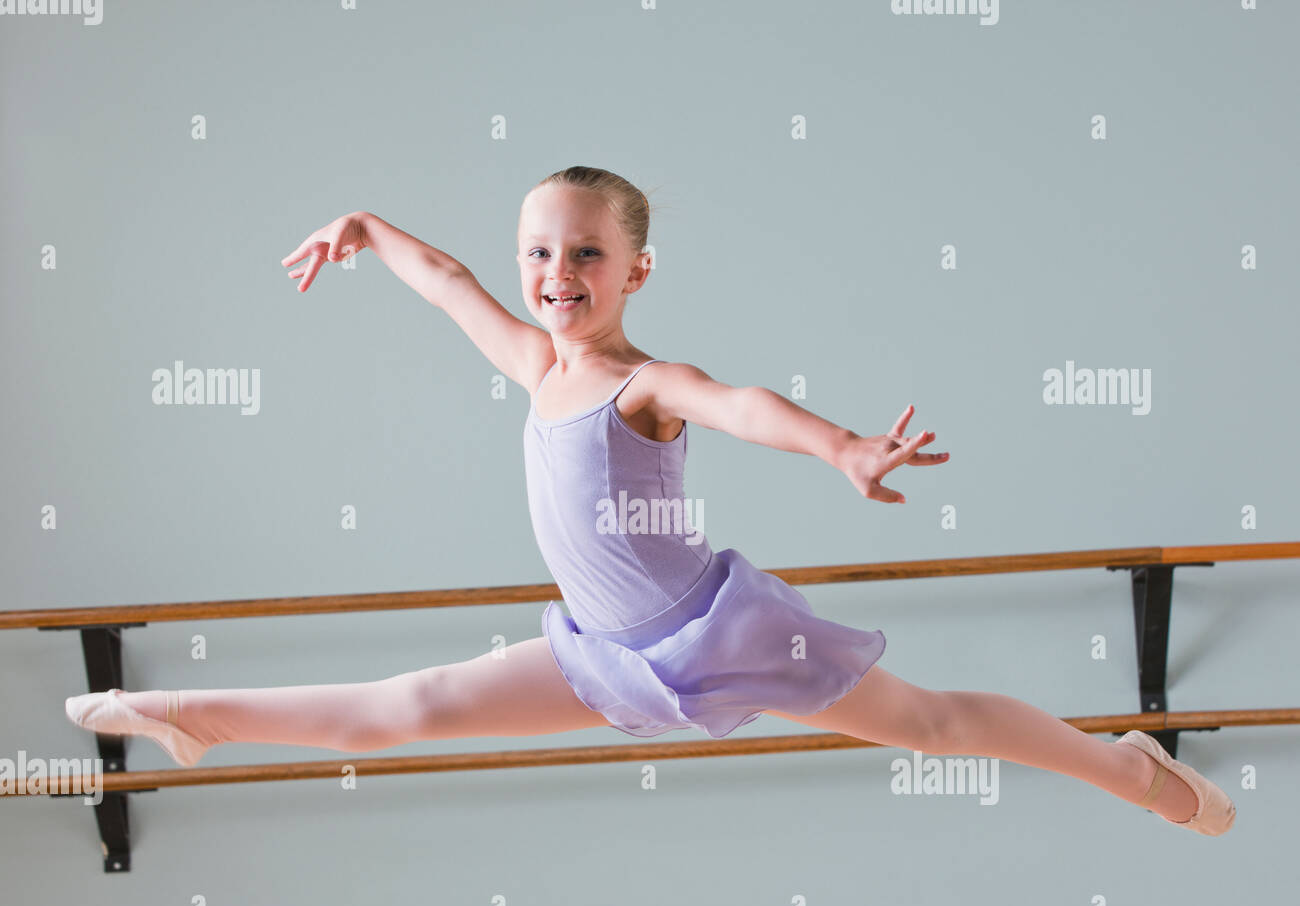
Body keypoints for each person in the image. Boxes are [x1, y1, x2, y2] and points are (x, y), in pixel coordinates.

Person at [66, 165, 1234, 835]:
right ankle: (201, 718)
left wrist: (838, 449)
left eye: (583, 257)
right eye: (539, 254)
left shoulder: (643, 386)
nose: (553, 277)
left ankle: (1129, 767)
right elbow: (450, 286)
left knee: (931, 723)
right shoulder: (533, 363)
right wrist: (365, 228)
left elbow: (740, 403)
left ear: (634, 271)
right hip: (605, 655)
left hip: (719, 632)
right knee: (409, 705)